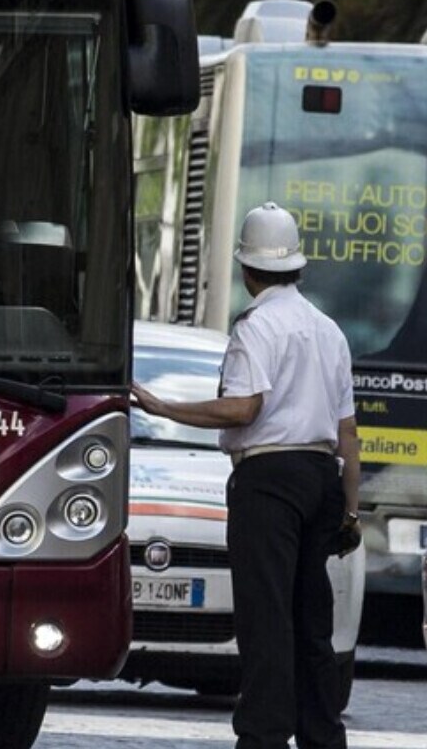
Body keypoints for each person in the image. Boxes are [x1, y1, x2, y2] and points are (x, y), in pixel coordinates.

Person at [131, 201, 359, 749]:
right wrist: (349, 511)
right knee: (312, 619)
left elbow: (243, 409)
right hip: (321, 478)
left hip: (269, 482)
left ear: (246, 269)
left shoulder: (256, 327)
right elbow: (348, 434)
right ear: (295, 266)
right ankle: (322, 737)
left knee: (267, 615)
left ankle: (263, 736)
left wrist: (164, 409)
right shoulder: (329, 331)